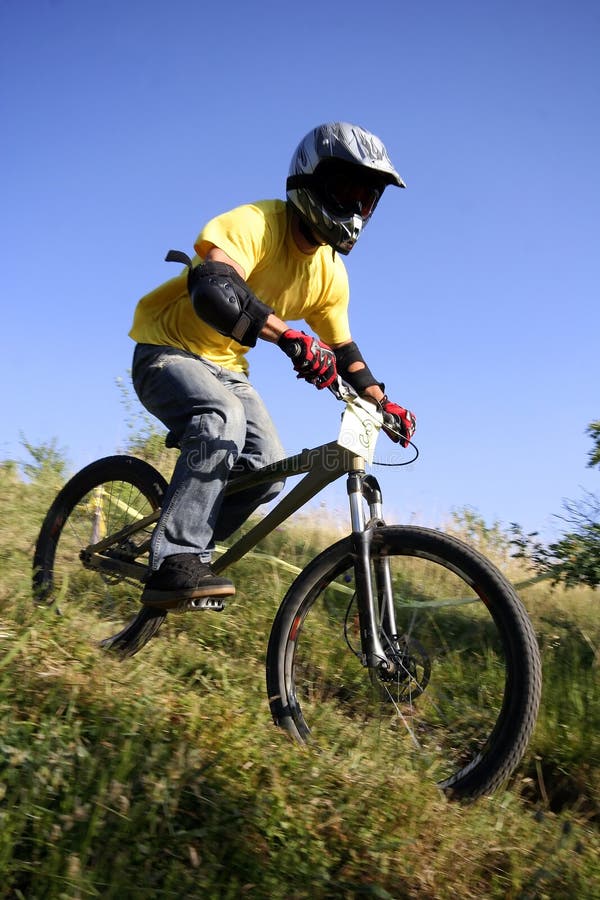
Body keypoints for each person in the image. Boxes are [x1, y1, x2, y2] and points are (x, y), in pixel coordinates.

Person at [128, 122, 416, 610]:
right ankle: (175, 556)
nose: (354, 208)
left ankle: (188, 551)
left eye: (365, 199)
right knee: (220, 418)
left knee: (267, 468)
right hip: (166, 350)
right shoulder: (257, 224)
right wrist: (288, 336)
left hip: (228, 369)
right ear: (311, 181)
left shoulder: (330, 275)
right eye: (345, 190)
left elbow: (345, 353)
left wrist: (382, 403)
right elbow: (214, 289)